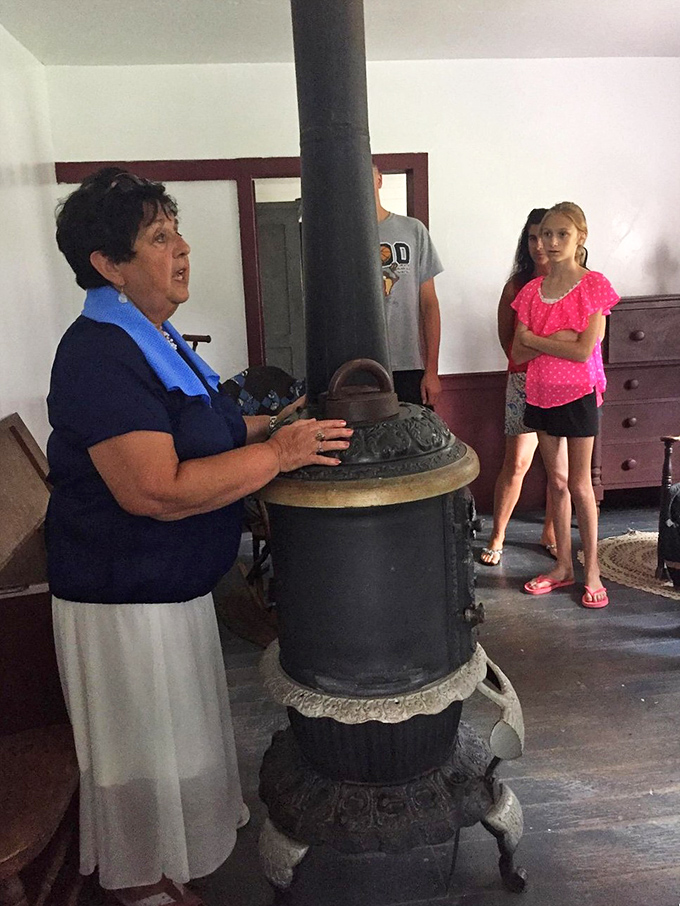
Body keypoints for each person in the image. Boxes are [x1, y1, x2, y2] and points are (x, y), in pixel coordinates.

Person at [46, 167, 353, 906]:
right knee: (139, 749)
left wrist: (275, 425)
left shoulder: (155, 336)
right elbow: (154, 489)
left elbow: (202, 427)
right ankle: (141, 878)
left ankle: (170, 858)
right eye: (159, 237)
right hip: (123, 599)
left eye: (177, 230)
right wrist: (278, 456)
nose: (182, 248)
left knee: (173, 740)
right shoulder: (98, 353)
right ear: (107, 264)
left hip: (169, 588)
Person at [511, 202, 619, 608]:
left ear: (580, 238)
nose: (551, 243)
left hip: (579, 393)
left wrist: (541, 339)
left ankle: (591, 569)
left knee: (580, 484)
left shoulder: (593, 286)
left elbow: (582, 351)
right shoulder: (529, 292)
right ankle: (562, 566)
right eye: (544, 235)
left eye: (561, 234)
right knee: (555, 483)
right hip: (539, 392)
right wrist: (559, 339)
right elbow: (519, 350)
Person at [480, 208, 559, 566]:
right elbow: (506, 339)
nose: (539, 244)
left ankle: (550, 532)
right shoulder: (516, 286)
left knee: (560, 469)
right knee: (517, 464)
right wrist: (525, 364)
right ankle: (497, 536)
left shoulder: (574, 284)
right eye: (531, 237)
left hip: (563, 385)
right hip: (522, 381)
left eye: (546, 235)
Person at [373, 163, 443, 406]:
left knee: (415, 440)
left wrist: (431, 370)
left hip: (408, 364)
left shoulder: (412, 231)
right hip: (359, 366)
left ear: (379, 179)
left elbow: (429, 303)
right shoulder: (340, 237)